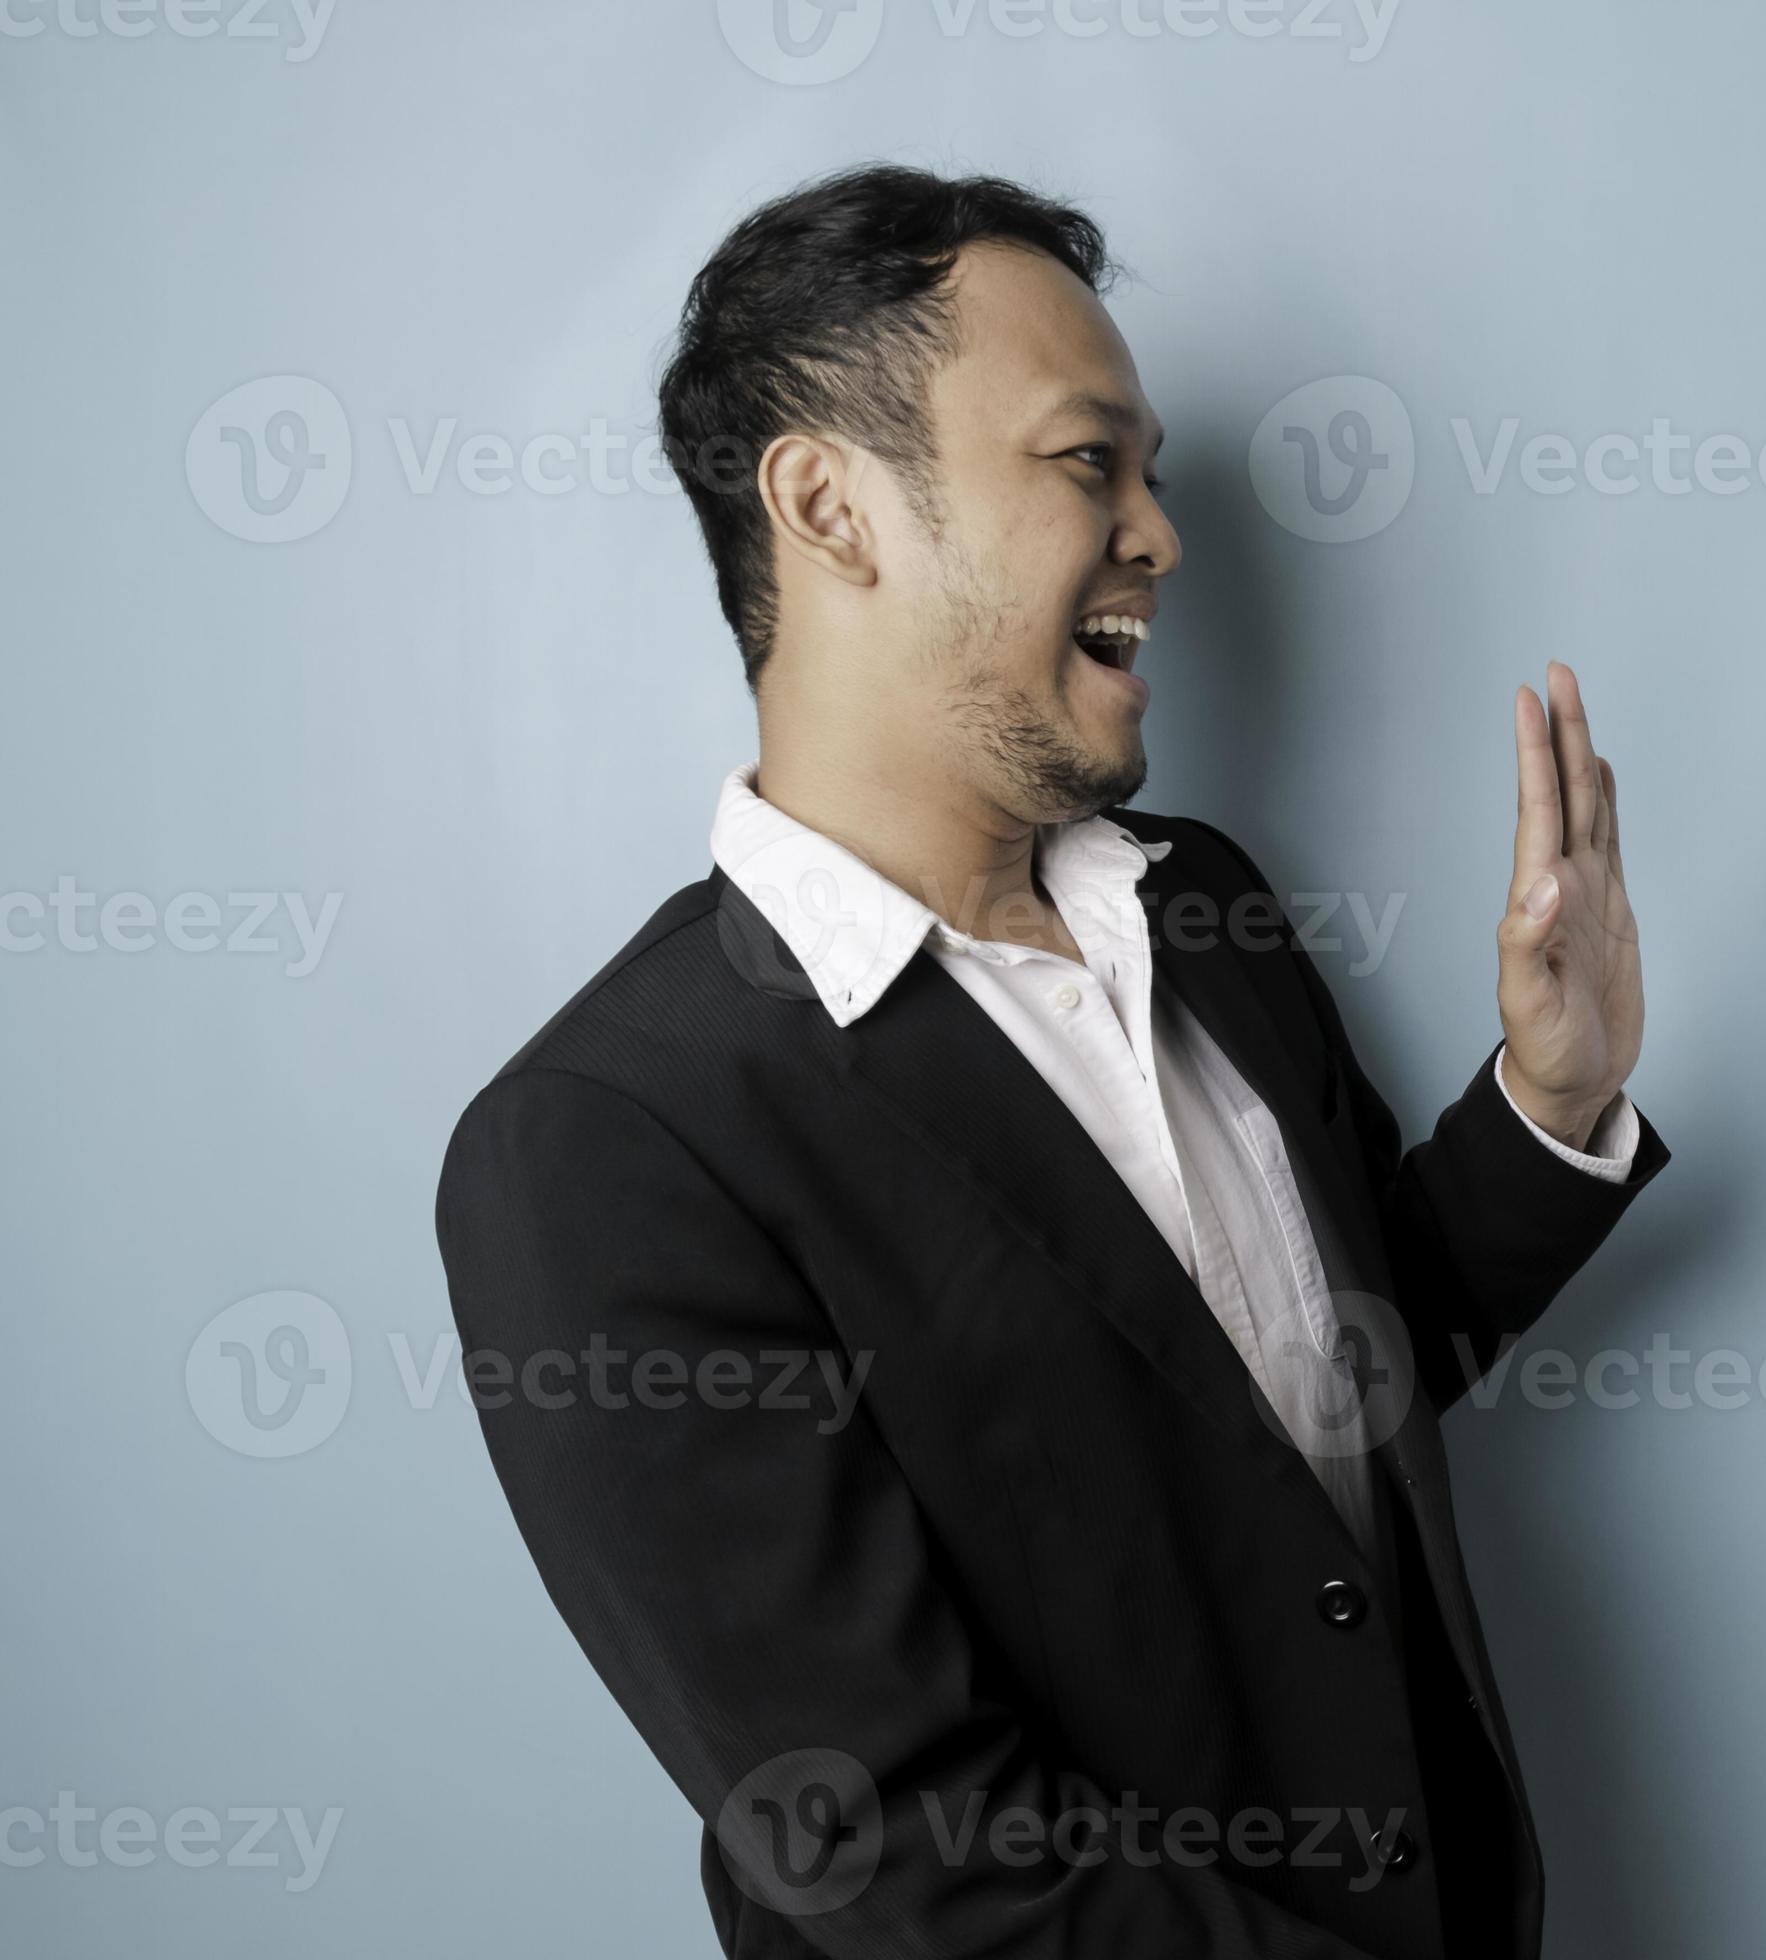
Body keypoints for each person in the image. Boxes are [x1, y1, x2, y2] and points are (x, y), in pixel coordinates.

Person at [432, 163, 1663, 1960]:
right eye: (1092, 461)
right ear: (830, 507)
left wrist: (1549, 1105)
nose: (1160, 536)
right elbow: (906, 1847)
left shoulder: (1208, 909)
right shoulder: (608, 1145)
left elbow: (1308, 1400)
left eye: (1150, 473)